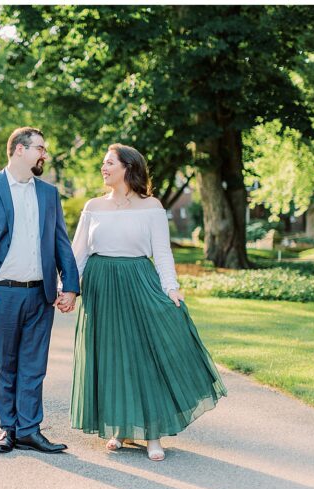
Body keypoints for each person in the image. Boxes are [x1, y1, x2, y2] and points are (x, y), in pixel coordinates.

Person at [69, 143, 227, 461]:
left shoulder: (152, 206)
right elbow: (79, 252)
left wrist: (171, 288)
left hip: (139, 280)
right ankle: (118, 429)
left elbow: (162, 252)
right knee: (110, 356)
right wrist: (68, 289)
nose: (104, 167)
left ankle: (153, 434)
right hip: (101, 286)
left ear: (128, 167)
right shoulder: (93, 206)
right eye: (103, 162)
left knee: (143, 355)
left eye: (110, 162)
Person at [0, 126, 80, 454]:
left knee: (34, 365)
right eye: (40, 148)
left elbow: (60, 241)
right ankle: (7, 430)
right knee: (5, 364)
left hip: (40, 294)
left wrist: (70, 286)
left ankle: (29, 429)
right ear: (19, 150)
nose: (44, 154)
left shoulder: (48, 193)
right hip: (1, 294)